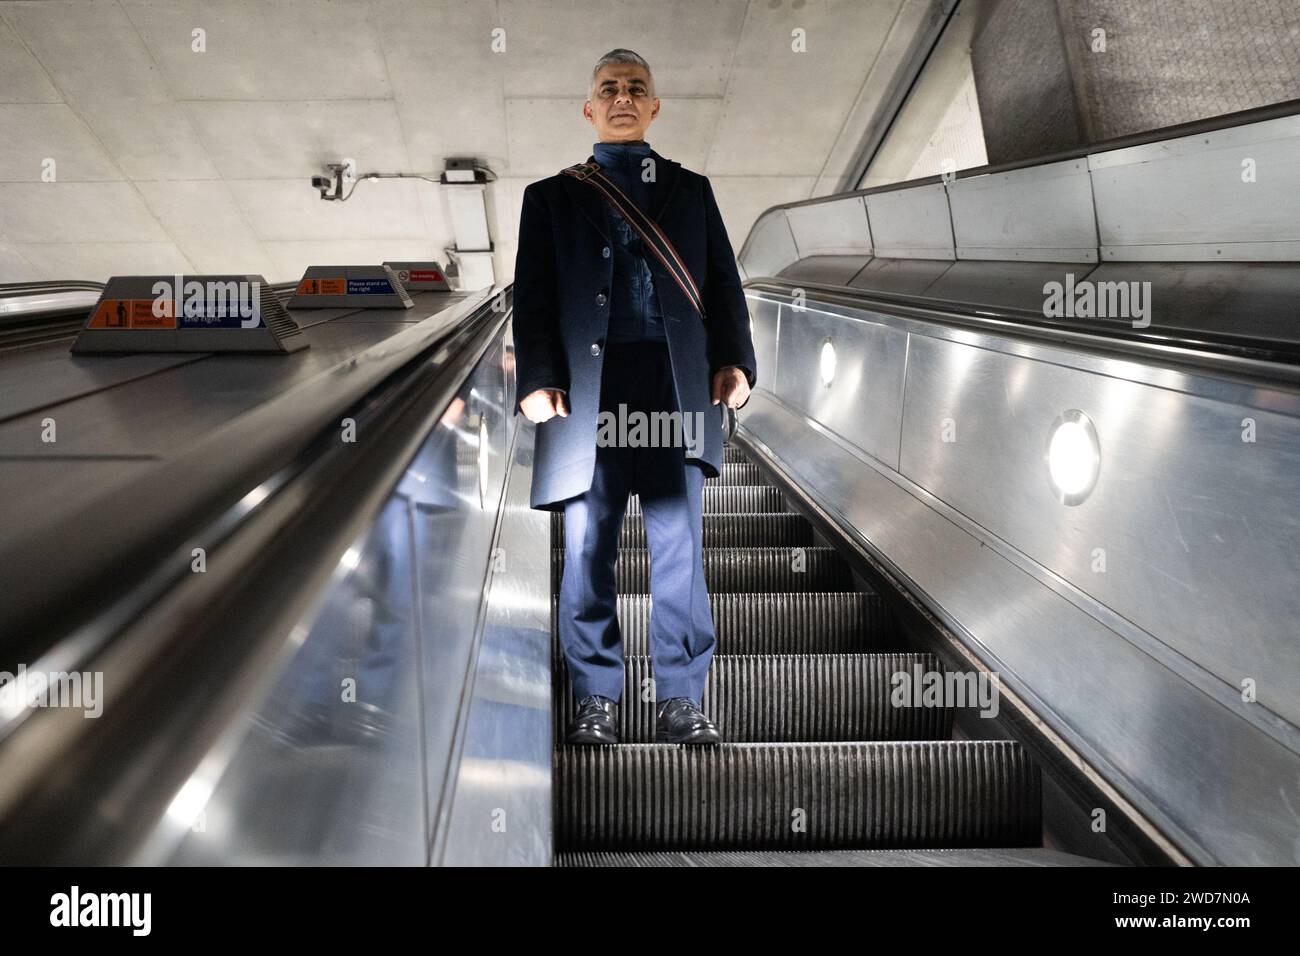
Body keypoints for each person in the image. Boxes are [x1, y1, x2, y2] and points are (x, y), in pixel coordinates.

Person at [512, 48, 757, 745]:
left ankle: (681, 699)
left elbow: (723, 283)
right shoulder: (550, 197)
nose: (623, 97)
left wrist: (735, 361)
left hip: (673, 384)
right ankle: (597, 698)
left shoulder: (690, 188)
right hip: (586, 393)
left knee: (680, 545)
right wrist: (535, 378)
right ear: (589, 108)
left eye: (636, 89)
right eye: (609, 89)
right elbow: (532, 299)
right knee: (588, 545)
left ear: (654, 107)